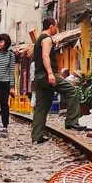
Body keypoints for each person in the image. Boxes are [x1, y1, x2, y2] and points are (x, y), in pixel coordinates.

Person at [31, 15, 60, 144]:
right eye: (56, 27)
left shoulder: (40, 40)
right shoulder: (47, 38)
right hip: (46, 76)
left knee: (41, 107)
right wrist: (50, 73)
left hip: (39, 76)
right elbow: (45, 56)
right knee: (71, 91)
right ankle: (72, 121)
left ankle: (37, 136)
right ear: (51, 26)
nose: (57, 29)